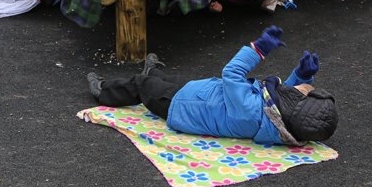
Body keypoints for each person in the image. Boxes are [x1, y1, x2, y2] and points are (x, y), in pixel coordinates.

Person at [86, 26, 338, 146]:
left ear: (294, 104)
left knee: (143, 86)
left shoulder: (251, 111)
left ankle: (105, 91)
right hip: (199, 95)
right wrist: (302, 75)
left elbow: (232, 72)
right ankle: (153, 71)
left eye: (305, 91)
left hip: (181, 106)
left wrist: (258, 49)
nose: (305, 87)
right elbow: (289, 96)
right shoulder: (280, 119)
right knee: (169, 80)